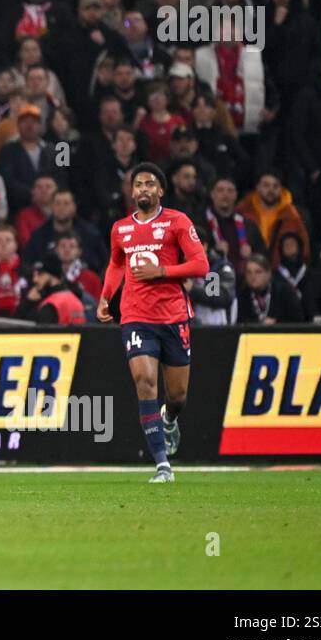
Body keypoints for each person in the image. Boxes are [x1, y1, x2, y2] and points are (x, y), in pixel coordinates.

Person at [96, 163, 209, 483]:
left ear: (160, 191)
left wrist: (162, 272)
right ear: (131, 192)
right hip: (135, 316)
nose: (144, 189)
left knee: (177, 396)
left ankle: (169, 419)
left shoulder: (177, 222)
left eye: (150, 184)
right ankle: (162, 464)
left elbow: (201, 265)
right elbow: (116, 263)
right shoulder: (120, 228)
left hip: (173, 316)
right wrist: (105, 297)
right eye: (138, 184)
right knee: (145, 381)